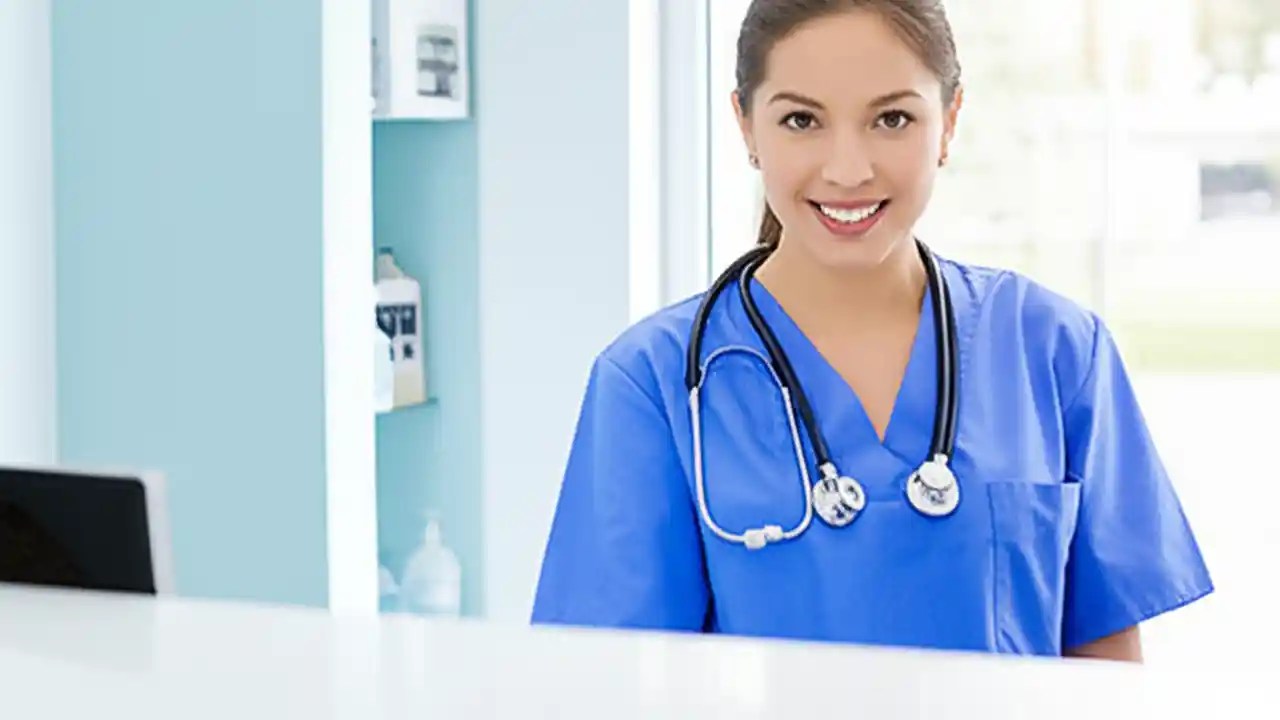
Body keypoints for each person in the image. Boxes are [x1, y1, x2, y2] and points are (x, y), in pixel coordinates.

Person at [530, 0, 1213, 661]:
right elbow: (611, 685)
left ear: (948, 120)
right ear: (745, 127)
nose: (849, 169)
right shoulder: (651, 383)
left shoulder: (1056, 349)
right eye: (801, 120)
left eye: (891, 118)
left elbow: (1106, 667)